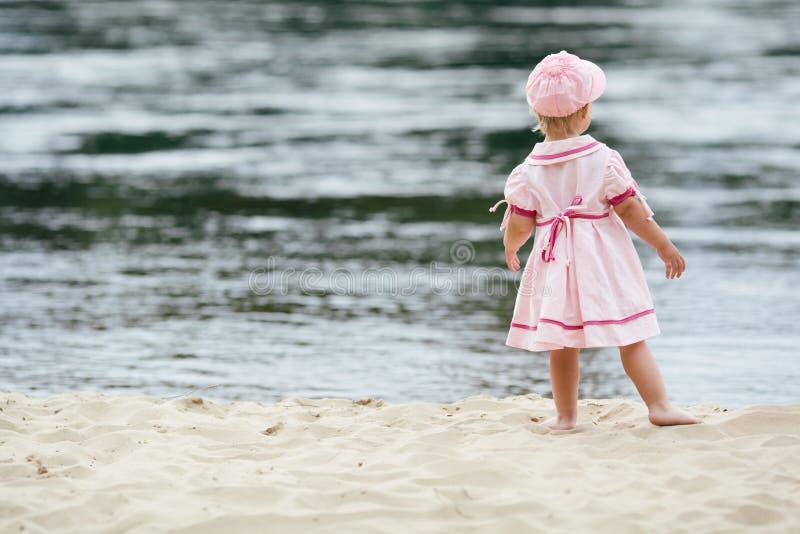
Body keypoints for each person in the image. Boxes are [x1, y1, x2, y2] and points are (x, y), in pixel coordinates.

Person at [489, 50, 701, 430]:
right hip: (603, 262)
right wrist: (663, 245)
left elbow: (521, 221)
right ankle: (659, 406)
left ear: (538, 116)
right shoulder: (604, 159)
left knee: (563, 343)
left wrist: (511, 245)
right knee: (631, 336)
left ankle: (566, 416)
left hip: (555, 263)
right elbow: (632, 210)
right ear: (585, 112)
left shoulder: (527, 171)